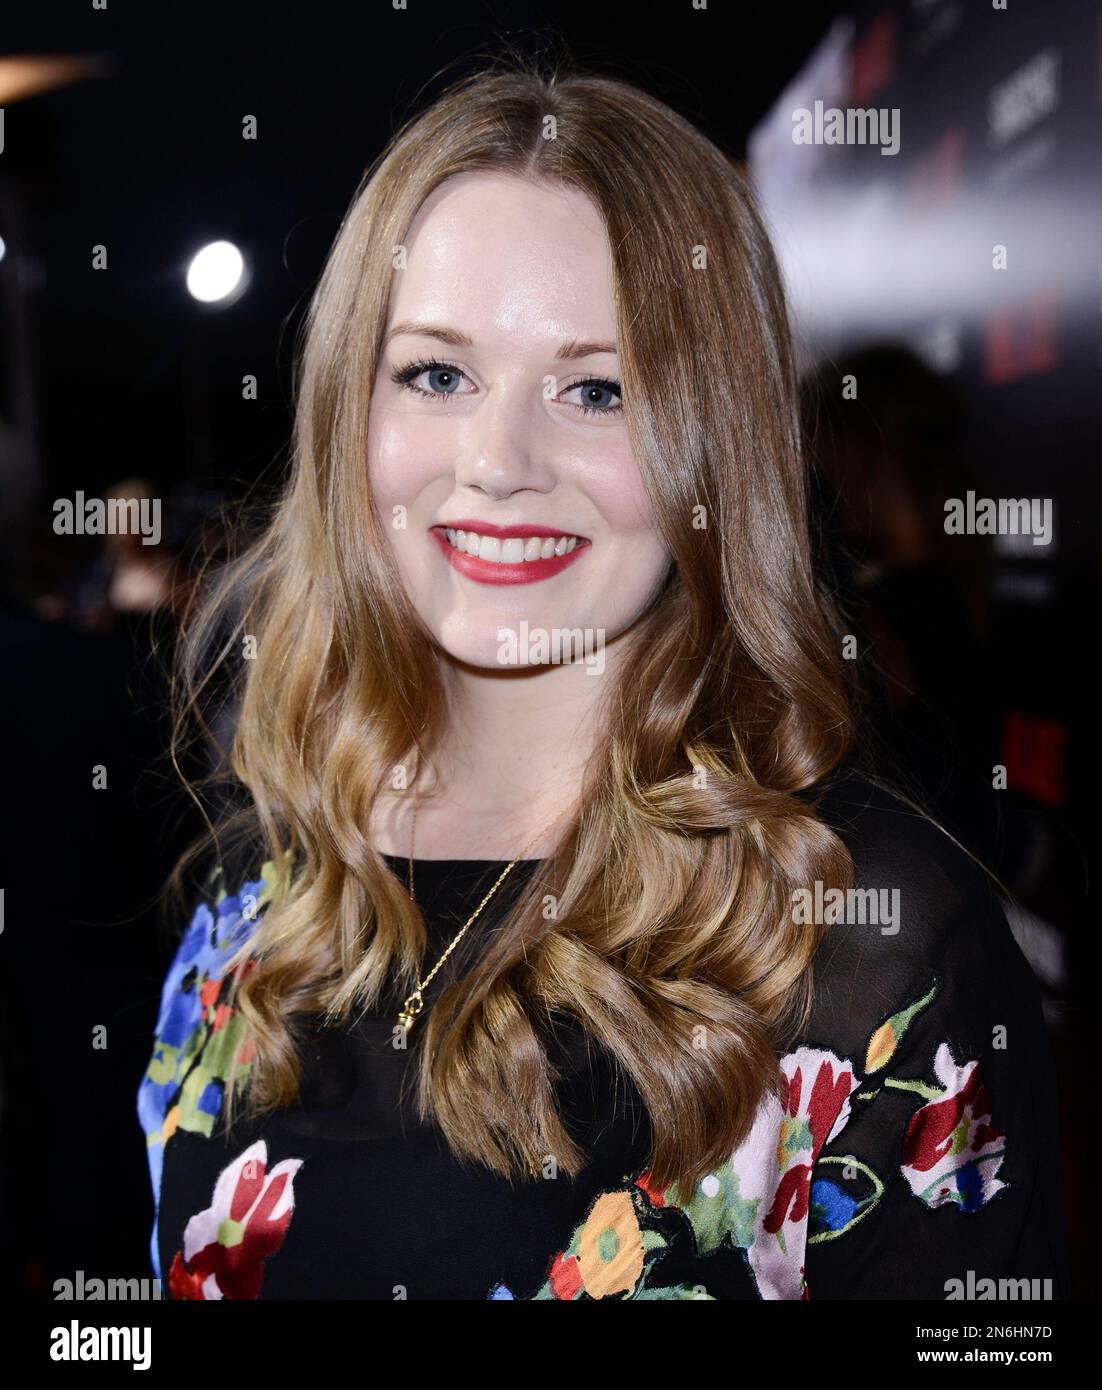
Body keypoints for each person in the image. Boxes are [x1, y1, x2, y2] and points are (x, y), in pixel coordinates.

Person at [137, 60, 1069, 1301]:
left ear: (712, 444)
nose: (497, 460)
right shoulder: (257, 885)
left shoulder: (873, 956)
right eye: (435, 373)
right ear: (343, 412)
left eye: (595, 389)